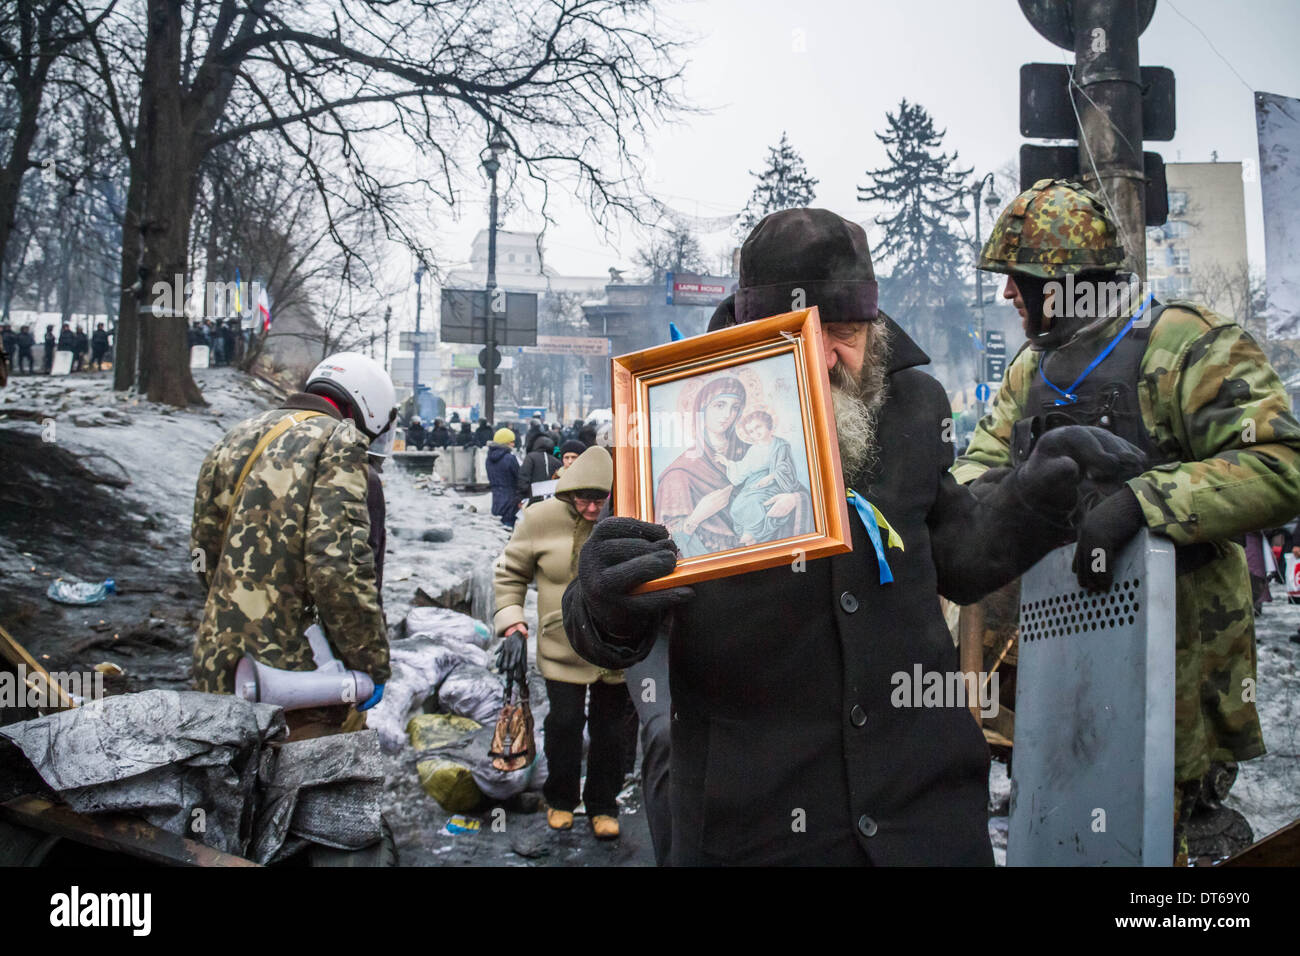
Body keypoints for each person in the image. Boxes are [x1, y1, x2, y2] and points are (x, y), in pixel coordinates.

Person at [560, 208, 1142, 865]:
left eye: (850, 331)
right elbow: (610, 626)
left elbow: (961, 558)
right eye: (810, 335)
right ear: (758, 338)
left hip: (922, 814)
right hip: (756, 824)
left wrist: (1037, 490)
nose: (834, 357)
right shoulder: (675, 421)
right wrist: (601, 599)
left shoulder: (912, 405)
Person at [953, 179, 1300, 862]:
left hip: (1175, 666)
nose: (1006, 295)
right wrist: (1021, 486)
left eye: (1016, 279)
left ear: (1060, 280)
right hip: (1054, 672)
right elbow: (971, 477)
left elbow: (1281, 464)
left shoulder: (1188, 345)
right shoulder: (1031, 372)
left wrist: (1145, 502)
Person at [191, 351, 396, 740]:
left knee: (232, 790)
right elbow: (338, 571)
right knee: (303, 794)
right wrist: (370, 661)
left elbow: (203, 555)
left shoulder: (235, 438)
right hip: (304, 681)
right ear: (368, 408)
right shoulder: (341, 444)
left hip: (220, 664)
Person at [494, 447, 630, 839]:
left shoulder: (624, 518)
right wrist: (511, 621)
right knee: (565, 724)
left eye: (599, 499)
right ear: (569, 491)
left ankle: (604, 804)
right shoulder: (538, 519)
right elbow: (509, 573)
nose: (592, 509)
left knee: (610, 731)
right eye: (585, 499)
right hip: (562, 643)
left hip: (614, 647)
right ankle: (560, 799)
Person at [486, 427, 521, 528]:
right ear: (505, 442)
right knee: (508, 531)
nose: (513, 444)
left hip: (496, 500)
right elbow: (518, 477)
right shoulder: (510, 458)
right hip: (510, 501)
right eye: (511, 442)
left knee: (498, 531)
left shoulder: (489, 458)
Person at [517, 433, 561, 505]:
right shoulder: (557, 462)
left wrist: (521, 497)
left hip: (533, 499)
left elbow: (524, 477)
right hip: (552, 500)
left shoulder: (530, 457)